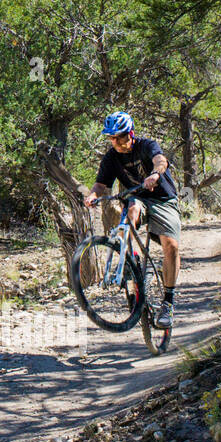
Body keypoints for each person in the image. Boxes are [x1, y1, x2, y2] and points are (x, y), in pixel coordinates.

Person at [82, 111, 180, 328]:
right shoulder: (111, 157)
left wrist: (155, 175)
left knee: (170, 246)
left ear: (130, 133)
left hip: (163, 199)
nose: (115, 142)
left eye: (119, 136)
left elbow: (160, 160)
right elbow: (101, 184)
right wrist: (92, 195)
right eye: (111, 137)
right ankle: (131, 262)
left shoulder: (146, 145)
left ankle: (168, 303)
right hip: (138, 198)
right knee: (132, 208)